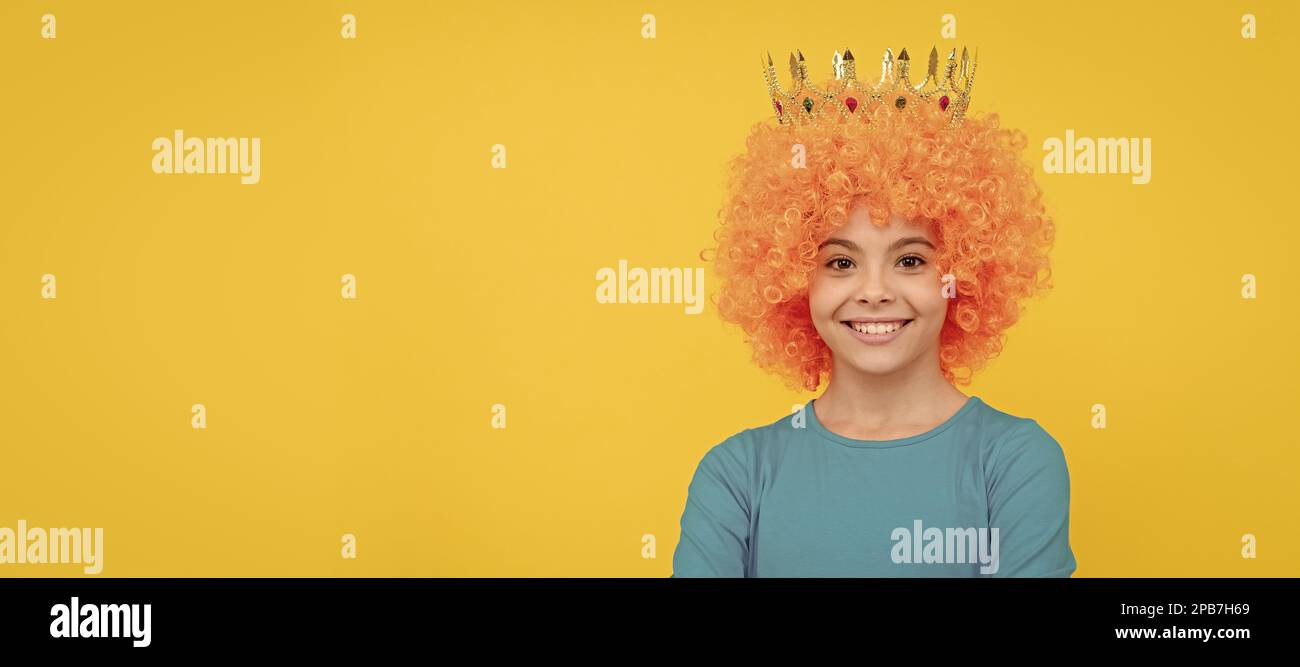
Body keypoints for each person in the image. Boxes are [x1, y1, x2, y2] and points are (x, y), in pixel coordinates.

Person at [671, 46, 1076, 577]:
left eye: (910, 260)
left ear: (963, 273)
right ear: (794, 280)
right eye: (840, 262)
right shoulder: (737, 475)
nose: (875, 290)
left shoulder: (1014, 462)